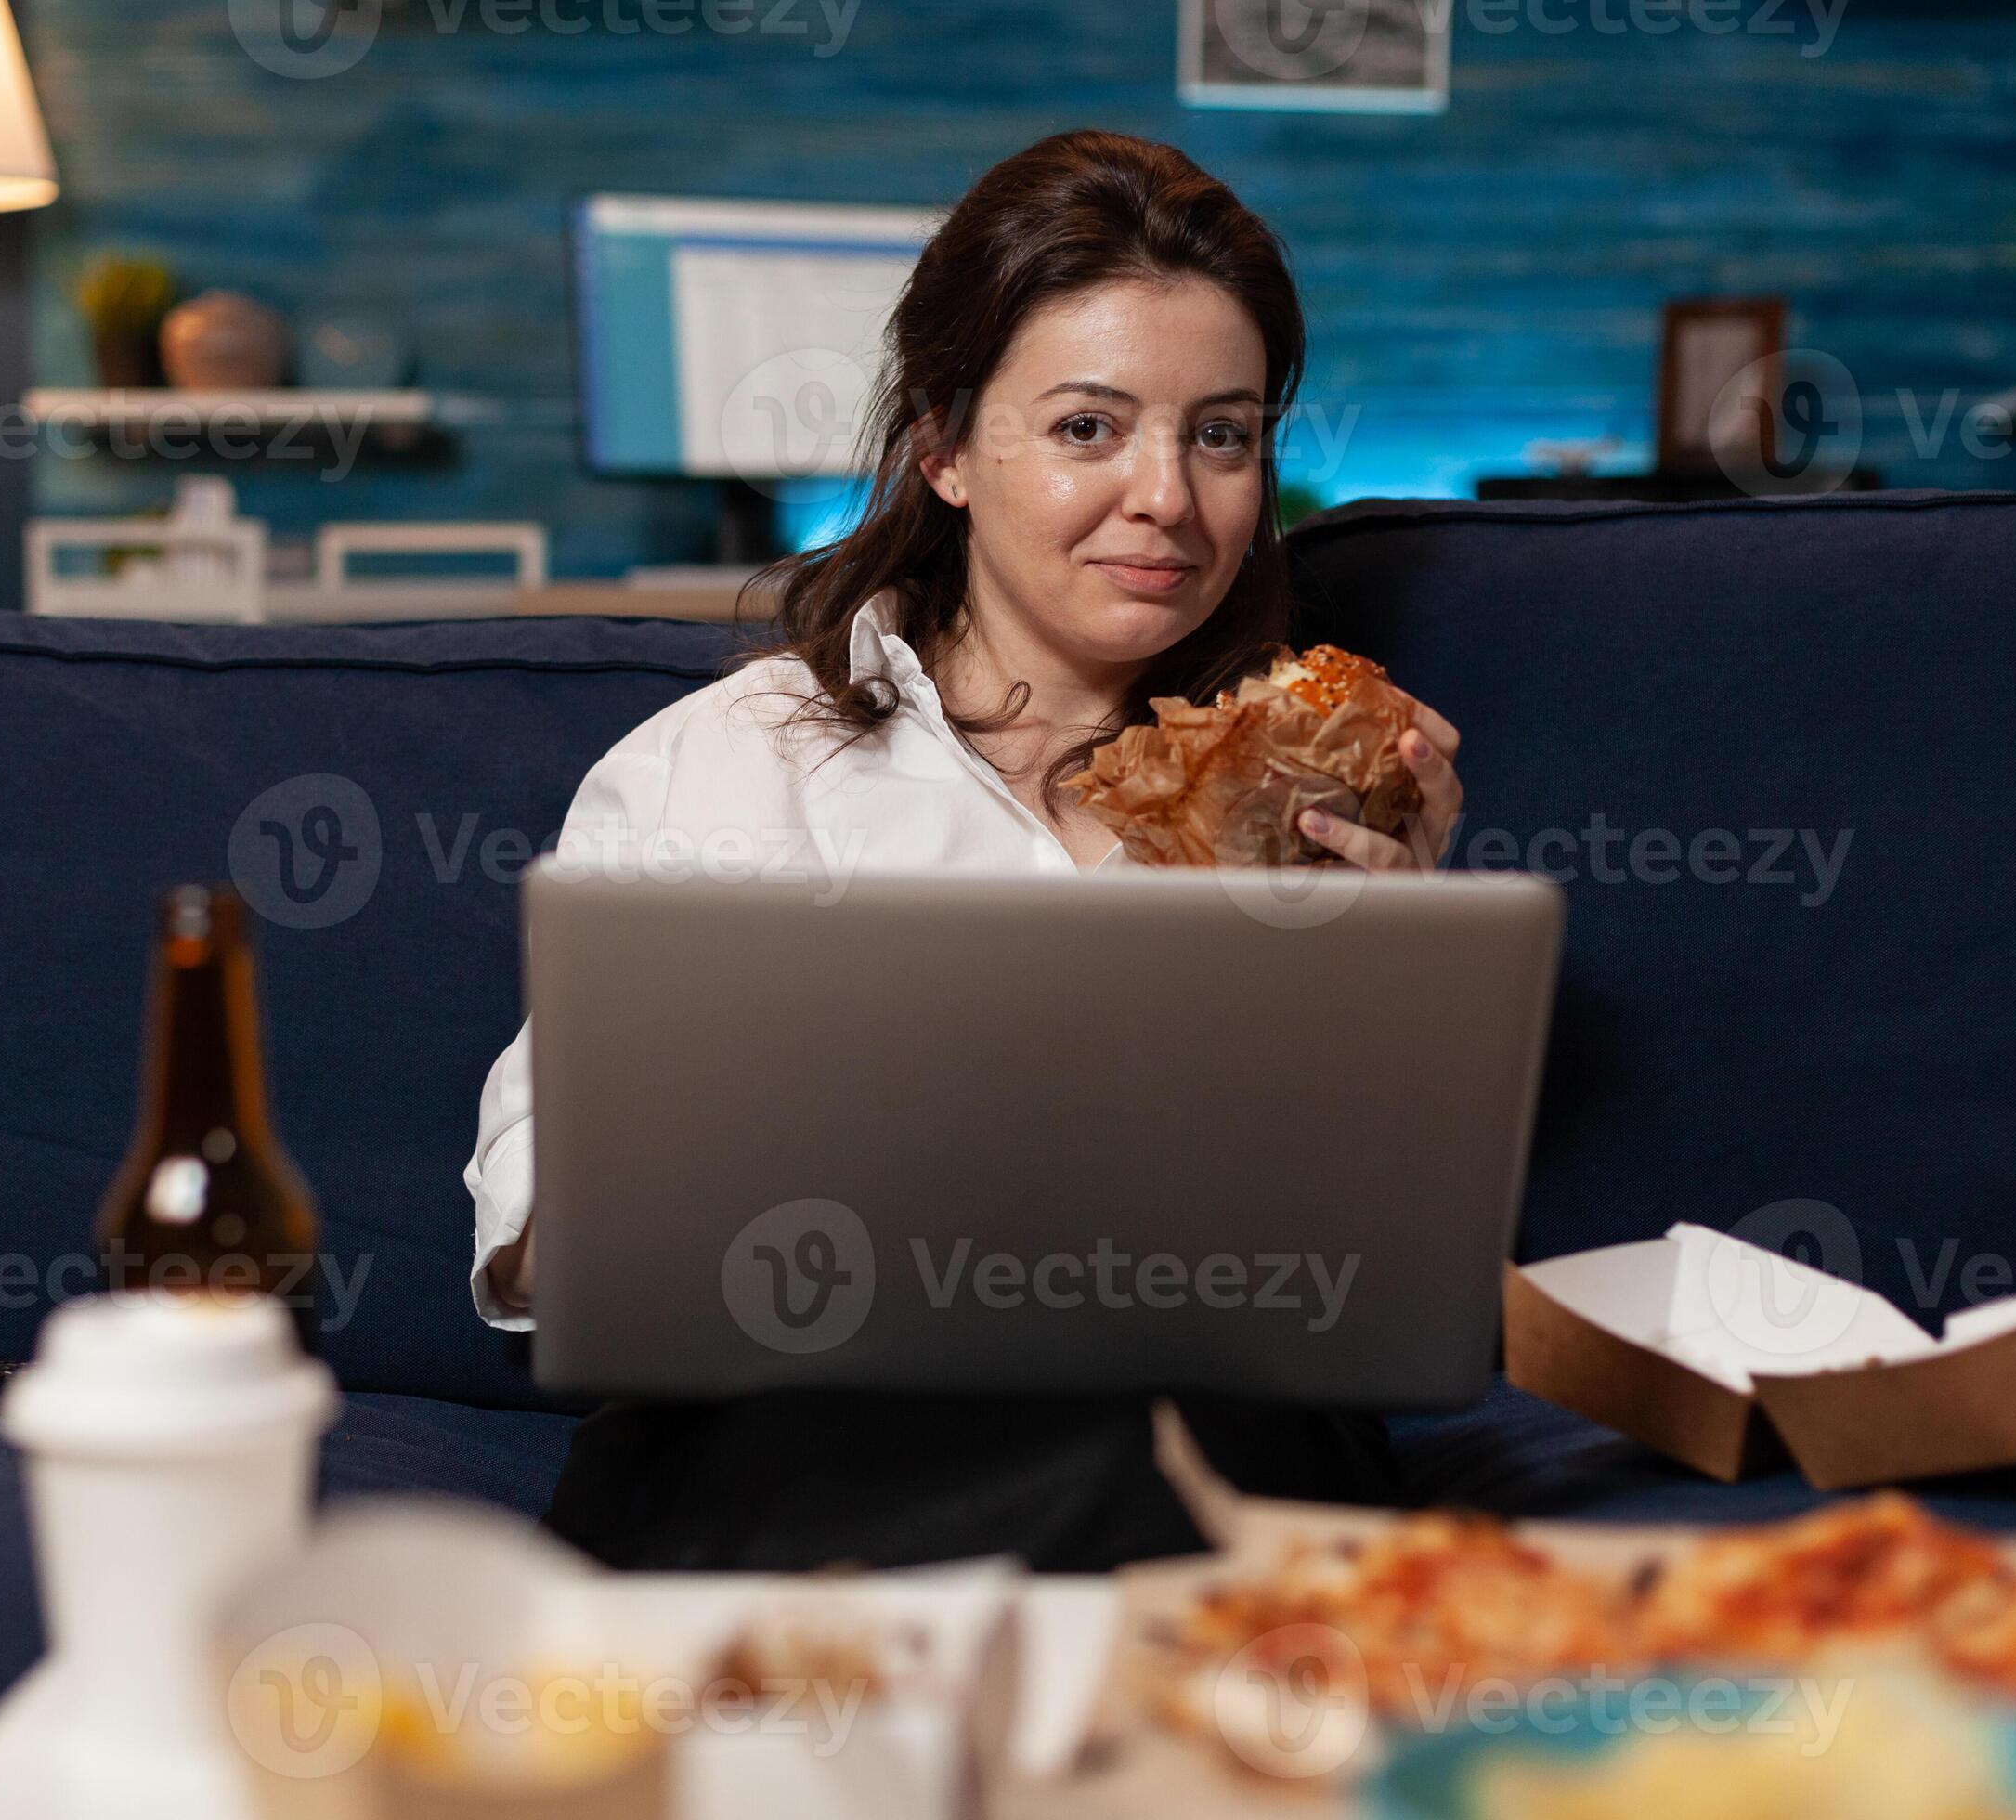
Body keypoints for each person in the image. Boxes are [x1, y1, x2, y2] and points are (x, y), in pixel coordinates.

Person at [464, 128, 1464, 1572]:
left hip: (1215, 1424)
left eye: (1223, 434)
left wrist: (1400, 986)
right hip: (796, 1418)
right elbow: (560, 1265)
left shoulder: (1324, 796)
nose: (1171, 500)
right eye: (1086, 428)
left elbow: (1383, 1288)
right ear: (941, 445)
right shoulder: (724, 764)